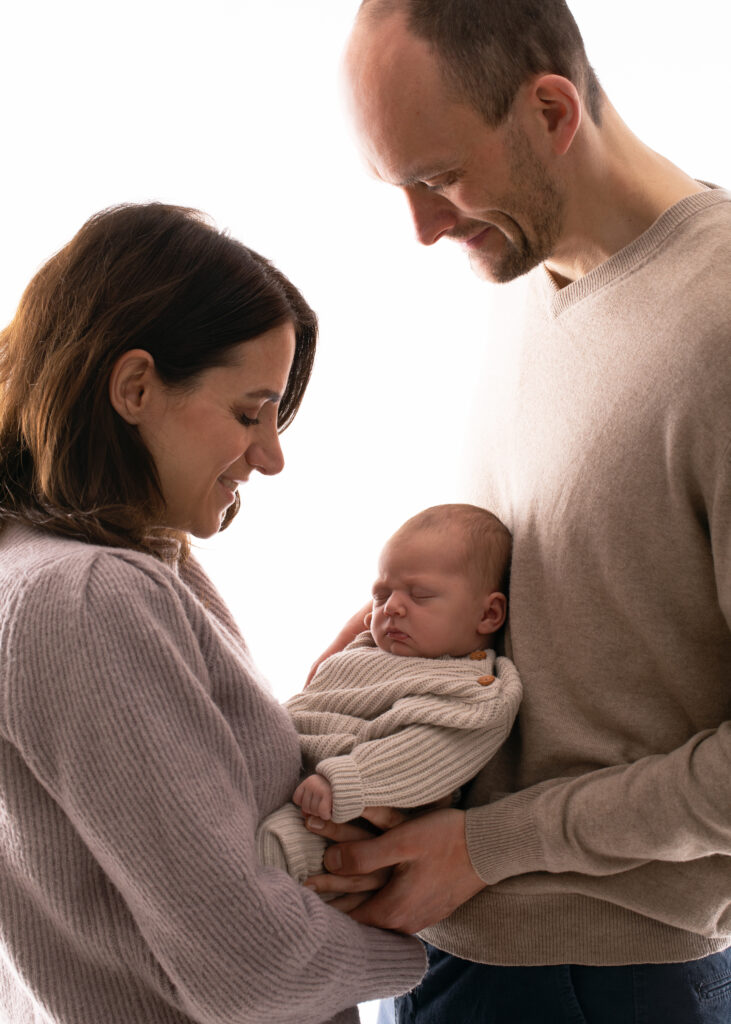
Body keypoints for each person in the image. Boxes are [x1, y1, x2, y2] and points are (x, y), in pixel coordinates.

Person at [300, 1, 731, 1021]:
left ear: (548, 109)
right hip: (447, 946)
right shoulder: (524, 275)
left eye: (435, 179)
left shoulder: (716, 322)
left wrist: (488, 845)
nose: (422, 228)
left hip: (599, 981)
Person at [0, 202, 427, 1024]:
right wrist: (429, 939)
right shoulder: (90, 597)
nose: (270, 456)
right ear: (135, 387)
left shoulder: (42, 568)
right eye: (248, 412)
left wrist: (310, 714)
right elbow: (252, 967)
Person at [257, 504, 522, 884]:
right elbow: (308, 703)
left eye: (420, 595)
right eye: (381, 595)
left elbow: (429, 750)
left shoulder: (473, 689)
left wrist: (351, 777)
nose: (392, 607)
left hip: (346, 811)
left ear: (489, 615)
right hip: (283, 764)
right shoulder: (366, 650)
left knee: (274, 843)